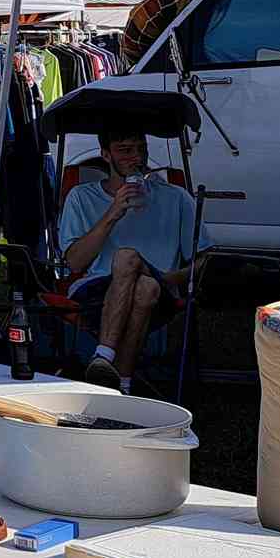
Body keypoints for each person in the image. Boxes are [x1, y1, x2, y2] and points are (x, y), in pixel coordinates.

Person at [58, 124, 212, 395]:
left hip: (162, 289)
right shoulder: (82, 196)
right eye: (125, 150)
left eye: (141, 149)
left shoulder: (175, 197)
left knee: (131, 263)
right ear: (106, 155)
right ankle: (124, 386)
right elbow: (75, 264)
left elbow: (205, 259)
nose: (137, 158)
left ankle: (103, 356)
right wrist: (113, 213)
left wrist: (170, 279)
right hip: (97, 289)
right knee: (142, 284)